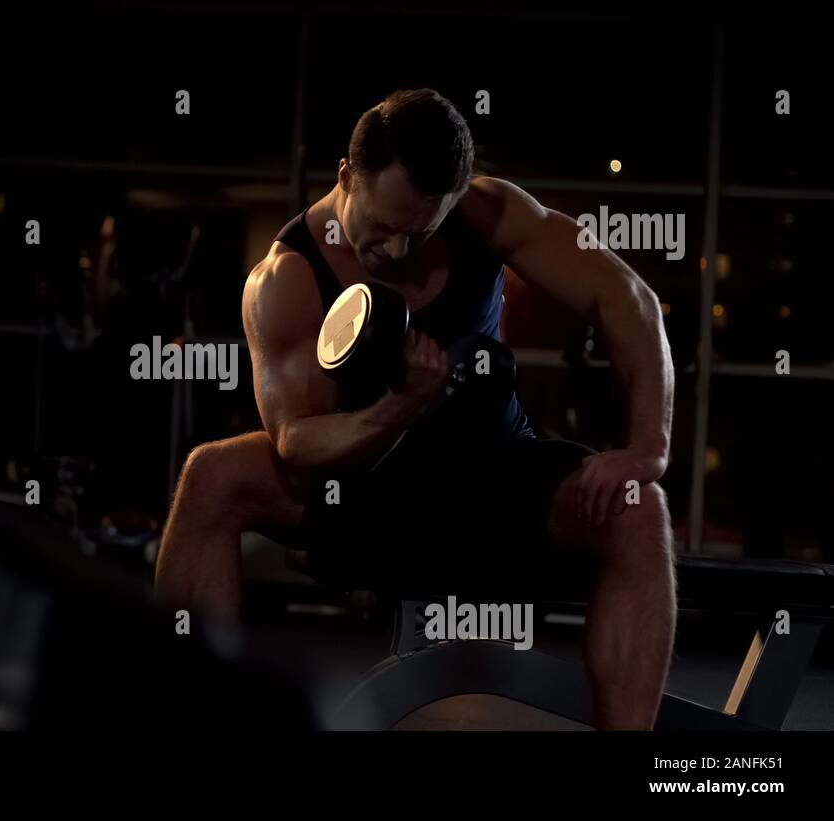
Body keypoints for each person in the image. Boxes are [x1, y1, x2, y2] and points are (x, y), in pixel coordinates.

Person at [154, 89, 676, 731]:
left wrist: (648, 446)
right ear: (346, 178)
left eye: (419, 233)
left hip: (496, 474)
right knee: (211, 475)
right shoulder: (287, 277)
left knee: (638, 505)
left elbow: (628, 298)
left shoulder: (487, 213)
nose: (398, 252)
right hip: (369, 496)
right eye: (383, 229)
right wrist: (397, 410)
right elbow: (294, 441)